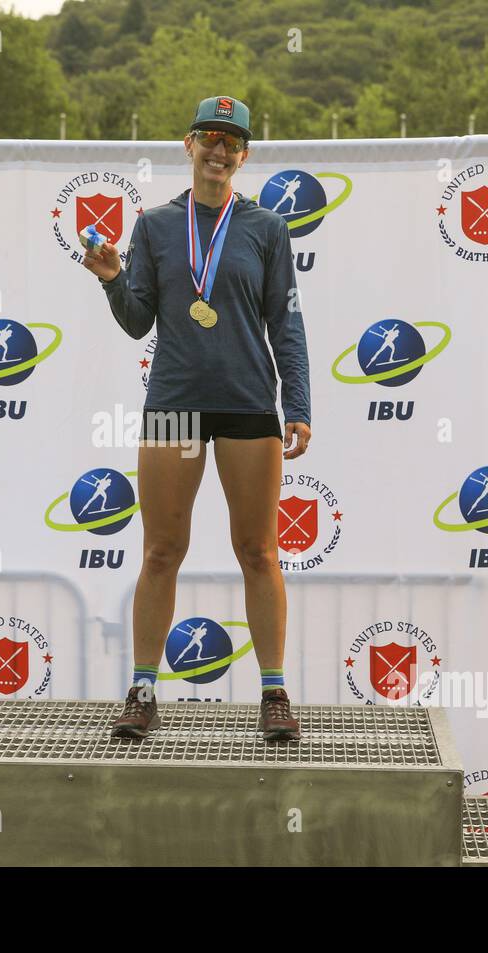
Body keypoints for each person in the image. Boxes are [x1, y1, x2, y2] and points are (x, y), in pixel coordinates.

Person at [81, 95, 311, 742]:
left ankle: (273, 694)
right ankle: (143, 689)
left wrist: (298, 405)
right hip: (175, 403)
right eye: (210, 136)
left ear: (245, 156)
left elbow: (285, 323)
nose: (220, 149)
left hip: (246, 404)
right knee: (160, 550)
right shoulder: (154, 226)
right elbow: (136, 323)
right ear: (188, 145)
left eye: (232, 141)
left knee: (259, 551)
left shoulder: (267, 228)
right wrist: (109, 279)